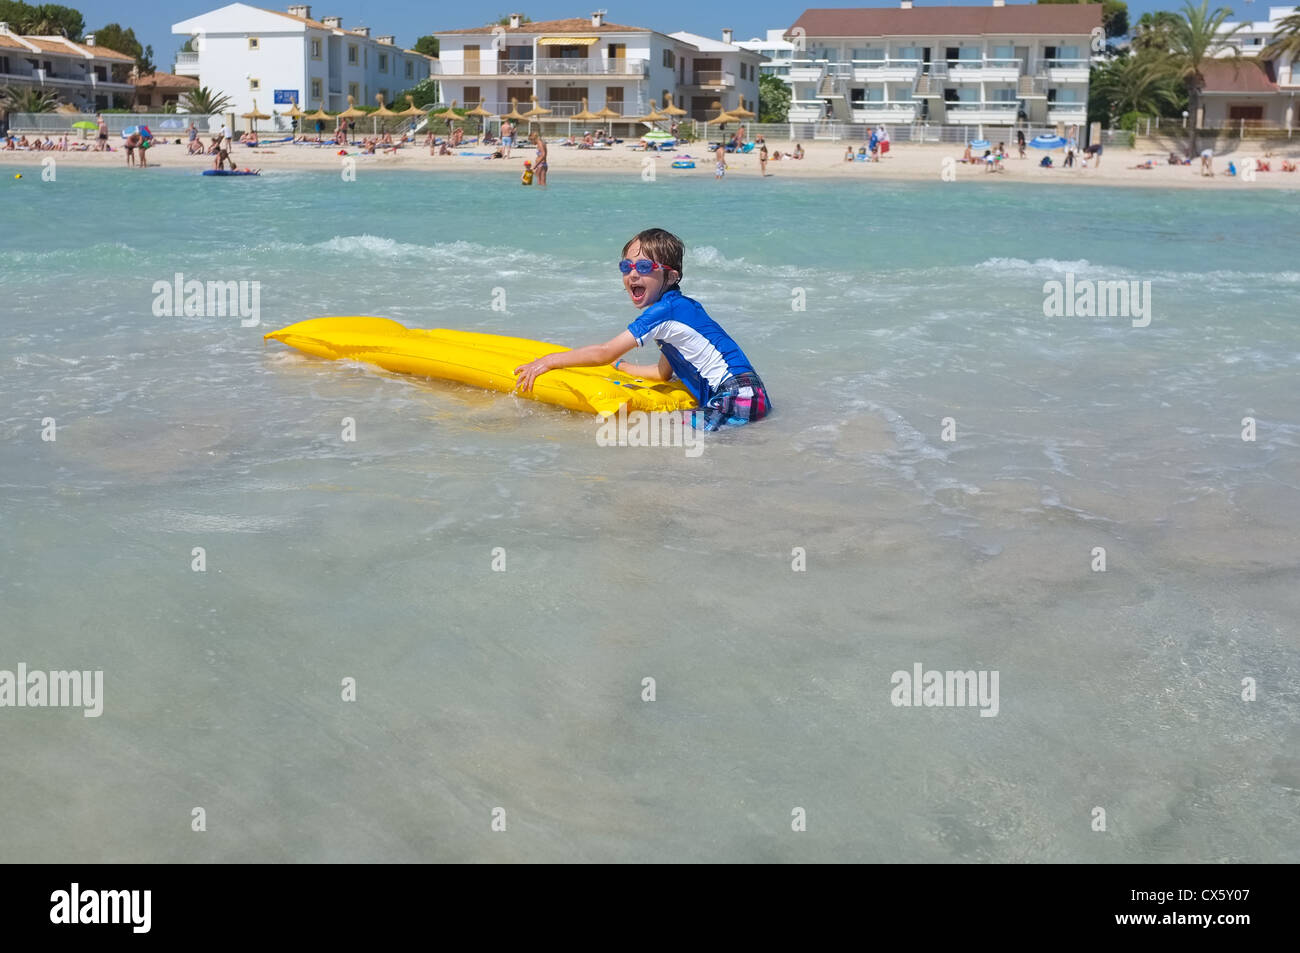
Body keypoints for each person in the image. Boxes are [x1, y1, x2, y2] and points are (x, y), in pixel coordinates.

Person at [513, 228, 771, 432]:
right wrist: (622, 368)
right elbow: (662, 373)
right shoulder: (680, 310)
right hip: (749, 396)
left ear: (671, 277)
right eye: (627, 267)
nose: (633, 274)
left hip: (737, 398)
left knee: (649, 431)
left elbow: (604, 351)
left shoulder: (663, 312)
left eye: (645, 267)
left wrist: (549, 362)